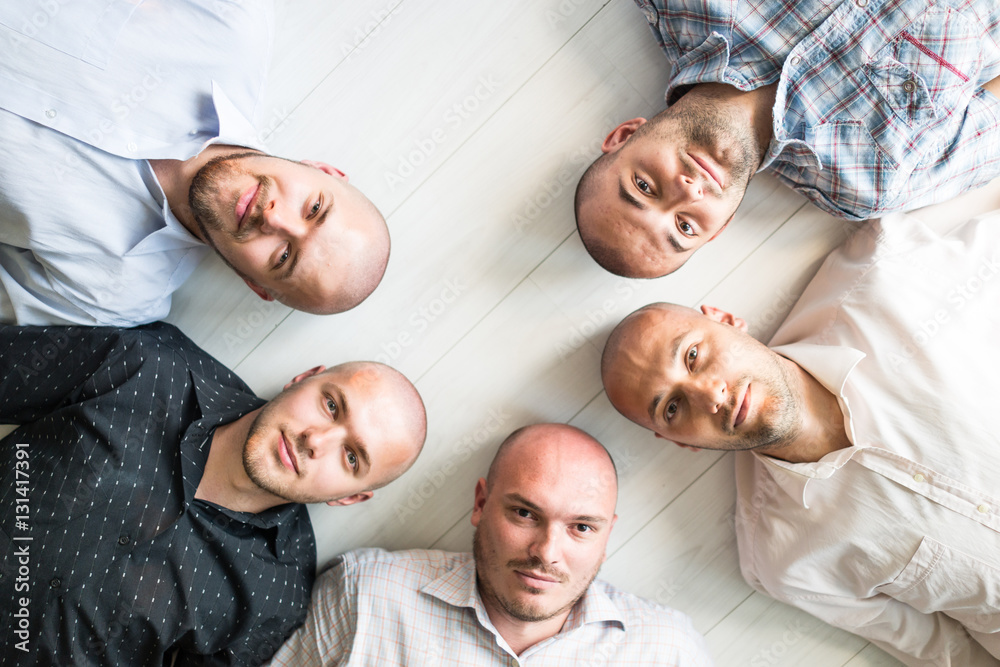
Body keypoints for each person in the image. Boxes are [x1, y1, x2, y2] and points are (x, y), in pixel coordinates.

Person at [599, 211, 1000, 666]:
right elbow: (947, 654)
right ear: (681, 442)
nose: (710, 396)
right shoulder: (783, 560)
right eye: (672, 408)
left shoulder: (884, 278)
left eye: (693, 355)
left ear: (726, 320)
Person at [0, 322, 427, 666]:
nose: (315, 440)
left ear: (349, 498)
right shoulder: (145, 364)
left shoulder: (276, 598)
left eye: (351, 457)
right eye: (331, 405)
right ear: (305, 379)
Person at [0, 0, 390, 327]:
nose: (274, 218)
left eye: (284, 256)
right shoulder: (231, 20)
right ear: (323, 170)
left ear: (254, 284)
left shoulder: (111, 297)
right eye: (315, 208)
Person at [574, 0, 1000, 278]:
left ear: (625, 135)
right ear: (720, 228)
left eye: (644, 186)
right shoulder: (868, 182)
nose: (686, 192)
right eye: (685, 226)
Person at [268, 423, 714, 666]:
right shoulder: (366, 594)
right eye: (525, 514)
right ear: (481, 503)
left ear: (607, 535)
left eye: (581, 527)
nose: (547, 553)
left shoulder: (667, 651)